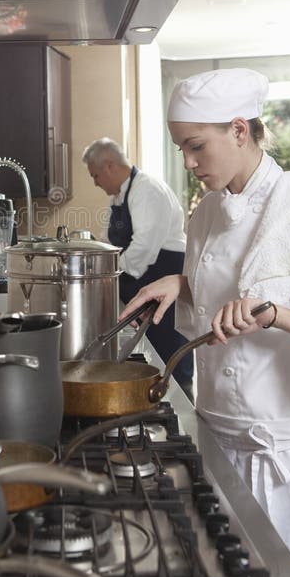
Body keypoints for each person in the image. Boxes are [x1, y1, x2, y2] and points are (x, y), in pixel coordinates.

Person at [120, 67, 290, 575]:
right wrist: (179, 284)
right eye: (181, 147)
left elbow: (271, 307)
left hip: (282, 451)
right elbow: (217, 291)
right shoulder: (204, 213)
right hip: (215, 432)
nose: (188, 162)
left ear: (240, 130)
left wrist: (273, 314)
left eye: (197, 146)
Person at [82, 138, 194, 398]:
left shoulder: (147, 190)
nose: (96, 182)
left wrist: (108, 274)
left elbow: (143, 248)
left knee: (170, 351)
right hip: (142, 279)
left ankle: (182, 401)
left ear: (109, 166)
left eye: (95, 175)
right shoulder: (120, 195)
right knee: (150, 355)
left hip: (162, 275)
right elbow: (109, 242)